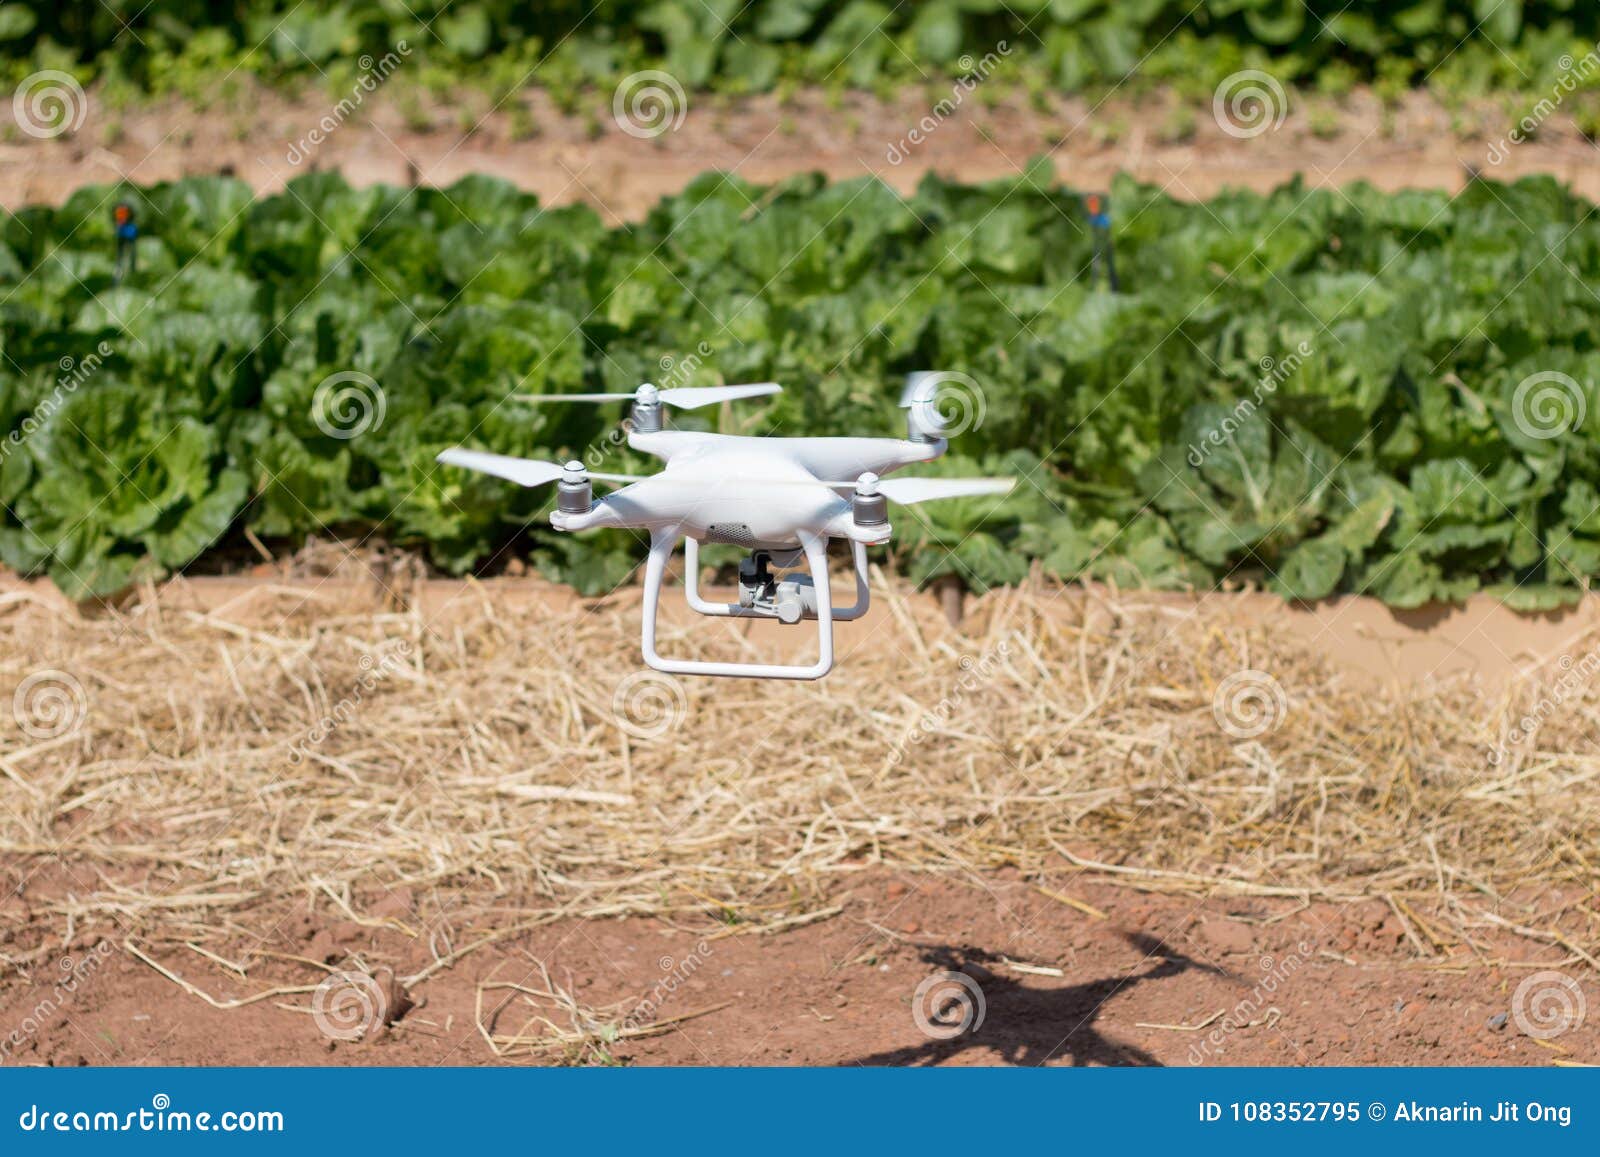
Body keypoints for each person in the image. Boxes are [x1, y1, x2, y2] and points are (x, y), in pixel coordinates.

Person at [112, 202, 137, 284]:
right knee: (120, 262)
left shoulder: (131, 227)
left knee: (129, 260)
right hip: (122, 240)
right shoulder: (120, 227)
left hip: (128, 240)